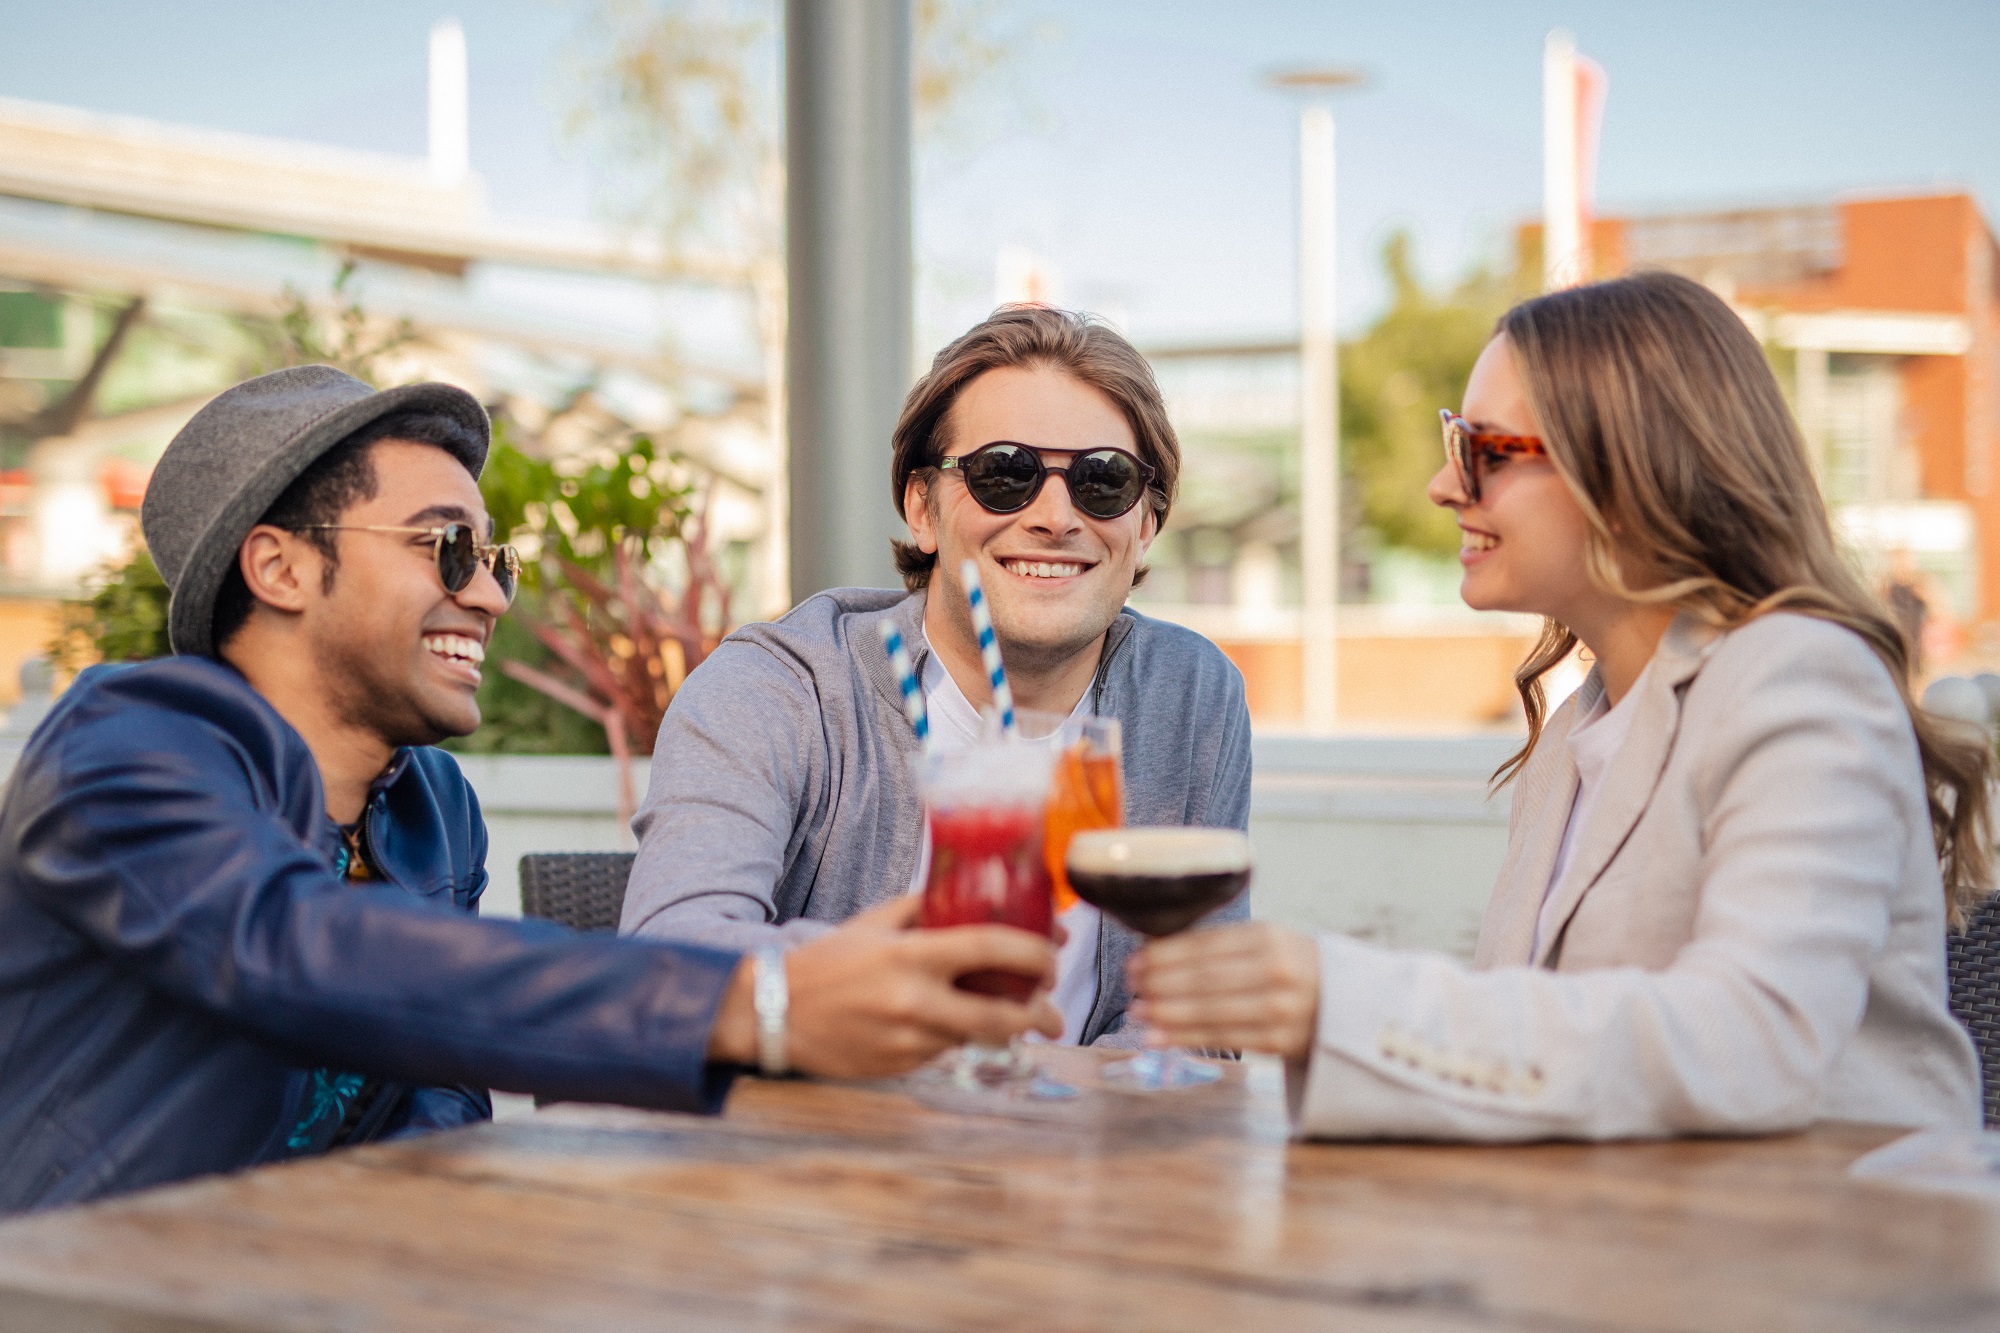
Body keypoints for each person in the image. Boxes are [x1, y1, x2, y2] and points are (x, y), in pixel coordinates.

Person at [0, 366, 1061, 1213]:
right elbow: (298, 946)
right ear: (279, 569)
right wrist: (759, 1002)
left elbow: (438, 1092)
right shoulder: (128, 748)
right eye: (446, 548)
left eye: (493, 558)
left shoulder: (430, 808)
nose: (489, 594)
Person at [1128, 272, 1989, 1138]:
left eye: (1484, 450)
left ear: (1630, 472)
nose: (1442, 485)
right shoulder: (1570, 732)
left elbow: (1754, 1040)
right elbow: (1548, 1066)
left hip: (1843, 1214)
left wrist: (1342, 1001)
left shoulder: (1801, 677)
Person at [623, 306, 1253, 1046]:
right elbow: (669, 964)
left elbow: (1202, 1005)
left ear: (1144, 525)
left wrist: (1054, 1099)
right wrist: (858, 985)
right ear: (922, 509)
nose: (1056, 516)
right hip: (831, 1121)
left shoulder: (1192, 696)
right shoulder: (782, 688)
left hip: (1084, 1121)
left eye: (1103, 480)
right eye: (1005, 473)